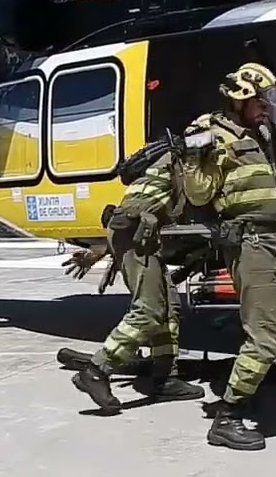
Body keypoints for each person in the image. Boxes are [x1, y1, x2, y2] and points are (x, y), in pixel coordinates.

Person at [181, 62, 276, 452]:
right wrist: (194, 156)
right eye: (261, 101)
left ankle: (245, 374)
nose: (267, 109)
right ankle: (229, 415)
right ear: (240, 99)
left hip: (272, 242)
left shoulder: (252, 136)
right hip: (250, 244)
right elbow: (199, 194)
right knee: (268, 334)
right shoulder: (214, 134)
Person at [62, 144, 206, 412]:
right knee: (149, 311)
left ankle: (165, 379)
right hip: (136, 233)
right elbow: (138, 214)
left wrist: (103, 250)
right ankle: (96, 371)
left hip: (138, 233)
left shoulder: (171, 162)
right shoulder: (188, 163)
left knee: (168, 309)